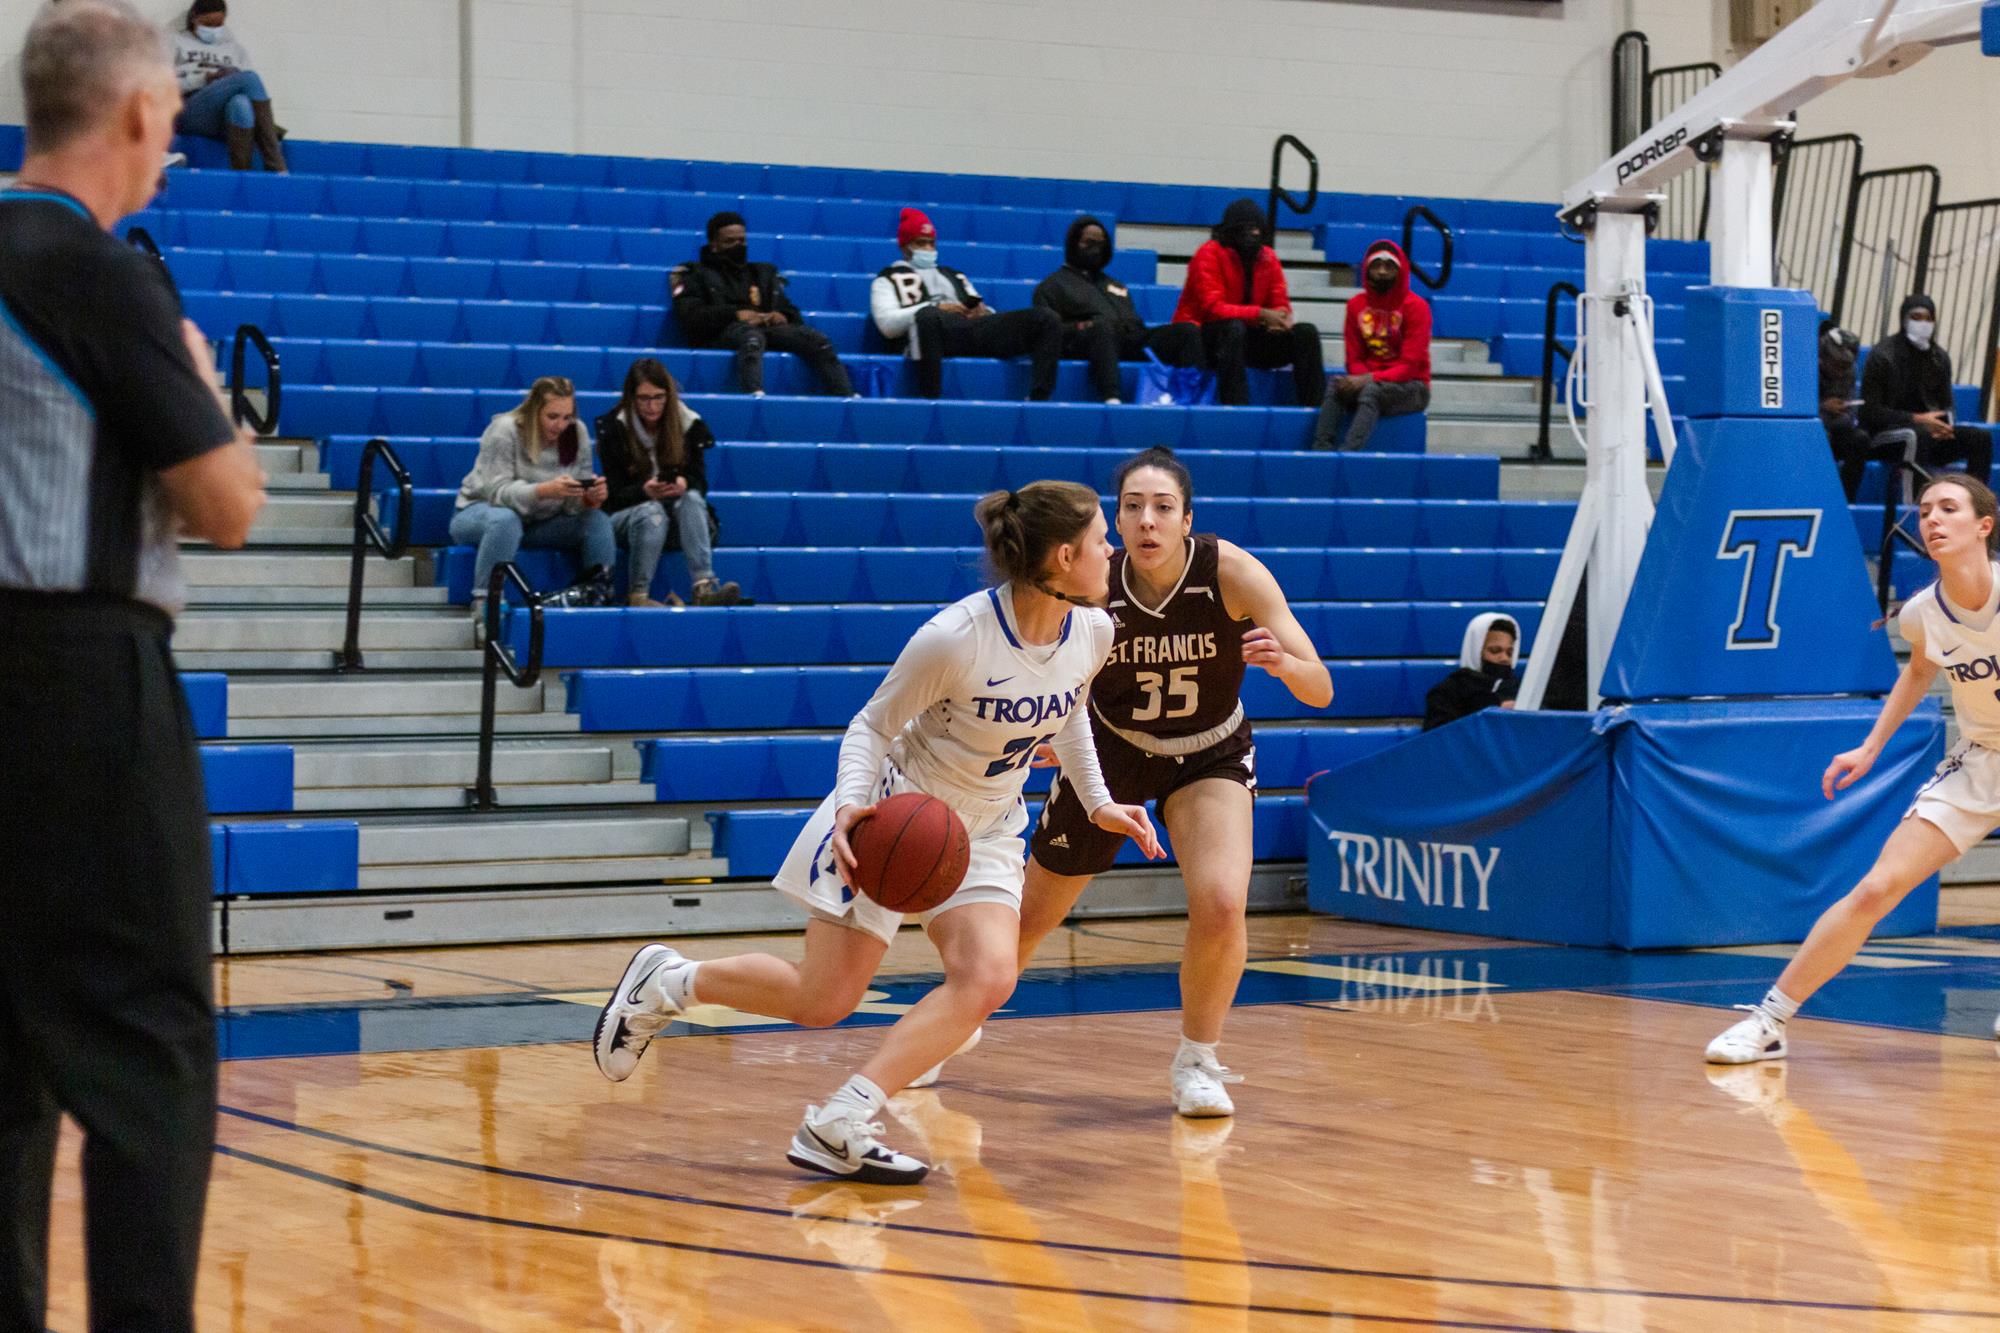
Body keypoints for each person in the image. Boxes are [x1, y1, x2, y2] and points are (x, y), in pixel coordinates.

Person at [592, 482, 1163, 1183]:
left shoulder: (1093, 631)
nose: (1114, 548)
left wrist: (1099, 800)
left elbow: (1068, 705)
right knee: (822, 1000)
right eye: (1103, 536)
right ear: (1066, 555)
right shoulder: (956, 637)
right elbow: (872, 724)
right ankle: (671, 981)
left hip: (984, 831)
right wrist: (849, 809)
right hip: (902, 815)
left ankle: (841, 1117)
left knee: (989, 976)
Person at [2, 5, 268, 1330]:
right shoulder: (99, 271)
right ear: (138, 115)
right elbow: (227, 505)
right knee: (146, 1050)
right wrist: (208, 394)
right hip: (76, 674)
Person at [927, 448, 1333, 1116]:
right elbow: (1036, 664)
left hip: (1209, 752)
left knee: (1224, 902)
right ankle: (948, 1024)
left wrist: (1288, 664)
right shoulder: (1091, 576)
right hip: (1109, 750)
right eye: (1133, 508)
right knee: (1027, 918)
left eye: (1163, 508)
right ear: (1115, 519)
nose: (1147, 521)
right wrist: (1053, 729)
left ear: (1187, 519)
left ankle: (1198, 1060)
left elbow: (1321, 688)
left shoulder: (1230, 573)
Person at [1706, 472, 2000, 1065]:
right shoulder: (1923, 614)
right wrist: (1870, 747)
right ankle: (1769, 1021)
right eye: (1923, 511)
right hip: (1983, 759)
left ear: (1983, 526)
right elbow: (1920, 671)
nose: (1932, 519)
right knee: (1876, 888)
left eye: (1948, 508)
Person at [449, 376, 616, 628]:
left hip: (539, 522)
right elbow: (496, 492)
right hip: (480, 512)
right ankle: (486, 604)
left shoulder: (576, 432)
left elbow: (571, 507)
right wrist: (542, 491)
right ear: (534, 410)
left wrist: (587, 498)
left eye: (566, 417)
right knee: (506, 520)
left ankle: (599, 597)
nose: (560, 425)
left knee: (597, 521)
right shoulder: (505, 429)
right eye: (552, 416)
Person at [870, 207, 1063, 401]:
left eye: (932, 243)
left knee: (1046, 318)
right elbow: (888, 325)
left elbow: (978, 303)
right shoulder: (887, 279)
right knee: (927, 317)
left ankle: (1039, 398)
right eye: (921, 243)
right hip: (934, 333)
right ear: (905, 247)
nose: (928, 249)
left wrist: (984, 312)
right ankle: (930, 399)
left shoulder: (954, 275)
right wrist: (934, 308)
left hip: (970, 329)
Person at [595, 358, 742, 607]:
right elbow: (612, 496)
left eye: (658, 397)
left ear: (669, 395)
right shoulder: (614, 429)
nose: (652, 406)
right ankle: (638, 594)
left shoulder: (689, 424)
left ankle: (704, 586)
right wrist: (644, 492)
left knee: (692, 499)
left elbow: (700, 483)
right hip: (631, 518)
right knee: (651, 512)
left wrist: (685, 483)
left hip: (680, 520)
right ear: (631, 397)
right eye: (644, 398)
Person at [670, 211, 855, 398]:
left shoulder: (763, 274)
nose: (738, 246)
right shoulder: (694, 274)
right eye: (730, 241)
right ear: (713, 244)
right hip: (721, 335)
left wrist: (782, 316)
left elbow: (792, 312)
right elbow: (690, 316)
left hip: (767, 331)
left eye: (742, 240)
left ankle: (846, 396)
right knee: (751, 336)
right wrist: (736, 314)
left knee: (816, 339)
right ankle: (754, 397)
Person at [1034, 215, 1203, 404]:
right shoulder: (1052, 285)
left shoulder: (1114, 284)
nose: (1096, 248)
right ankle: (1112, 399)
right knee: (1102, 328)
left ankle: (1193, 399)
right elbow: (1046, 332)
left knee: (1186, 331)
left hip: (1128, 339)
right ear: (1074, 244)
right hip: (1088, 340)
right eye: (1088, 242)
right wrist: (1083, 326)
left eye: (1101, 243)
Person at [1172, 198, 1323, 408]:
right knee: (1233, 329)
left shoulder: (1268, 257)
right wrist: (1261, 314)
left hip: (1245, 338)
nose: (1255, 234)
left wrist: (1279, 320)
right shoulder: (1208, 253)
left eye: (1258, 229)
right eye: (1249, 229)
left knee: (1305, 333)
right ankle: (1237, 408)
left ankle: (1315, 409)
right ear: (1232, 231)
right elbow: (1213, 308)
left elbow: (1279, 301)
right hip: (1203, 340)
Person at [1859, 294, 1993, 487]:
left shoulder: (1939, 358)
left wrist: (1944, 426)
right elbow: (1869, 412)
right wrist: (1918, 420)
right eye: (1916, 317)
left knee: (1980, 438)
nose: (1923, 323)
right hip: (1886, 435)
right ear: (1904, 320)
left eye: (1928, 318)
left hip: (1929, 435)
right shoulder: (1882, 356)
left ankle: (1974, 502)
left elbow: (1946, 404)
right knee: (1916, 435)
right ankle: (1915, 504)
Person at [1313, 239, 1432, 451]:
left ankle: (1348, 454)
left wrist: (1368, 379)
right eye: (1376, 266)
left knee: (1371, 392)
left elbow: (1409, 367)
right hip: (1373, 380)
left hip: (1414, 386)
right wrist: (1360, 379)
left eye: (1389, 266)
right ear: (1366, 269)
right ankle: (1321, 450)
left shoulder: (1417, 307)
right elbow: (1354, 359)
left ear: (1401, 270)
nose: (1383, 272)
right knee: (1337, 385)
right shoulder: (1355, 305)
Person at [169, 0, 285, 172]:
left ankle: (241, 175)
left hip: (225, 118)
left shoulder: (234, 48)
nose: (214, 29)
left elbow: (252, 92)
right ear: (194, 18)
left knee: (241, 104)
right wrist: (204, 78)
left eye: (219, 24)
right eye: (208, 24)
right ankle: (277, 165)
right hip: (190, 109)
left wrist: (229, 78)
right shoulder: (175, 41)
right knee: (249, 78)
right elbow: (162, 87)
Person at [1422, 613, 1520, 731]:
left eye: (1509, 653)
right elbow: (1439, 738)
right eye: (1495, 651)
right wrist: (1493, 712)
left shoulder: (1522, 690)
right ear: (1475, 650)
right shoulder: (1447, 693)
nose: (1504, 658)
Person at [1818, 319, 1880, 500]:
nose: (1840, 372)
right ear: (1823, 357)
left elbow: (1847, 420)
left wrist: (1840, 410)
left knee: (1859, 439)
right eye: (1836, 365)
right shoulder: (1805, 368)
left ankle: (1845, 500)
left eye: (1844, 367)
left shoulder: (1849, 371)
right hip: (1810, 433)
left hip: (1834, 428)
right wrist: (1822, 408)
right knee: (1820, 436)